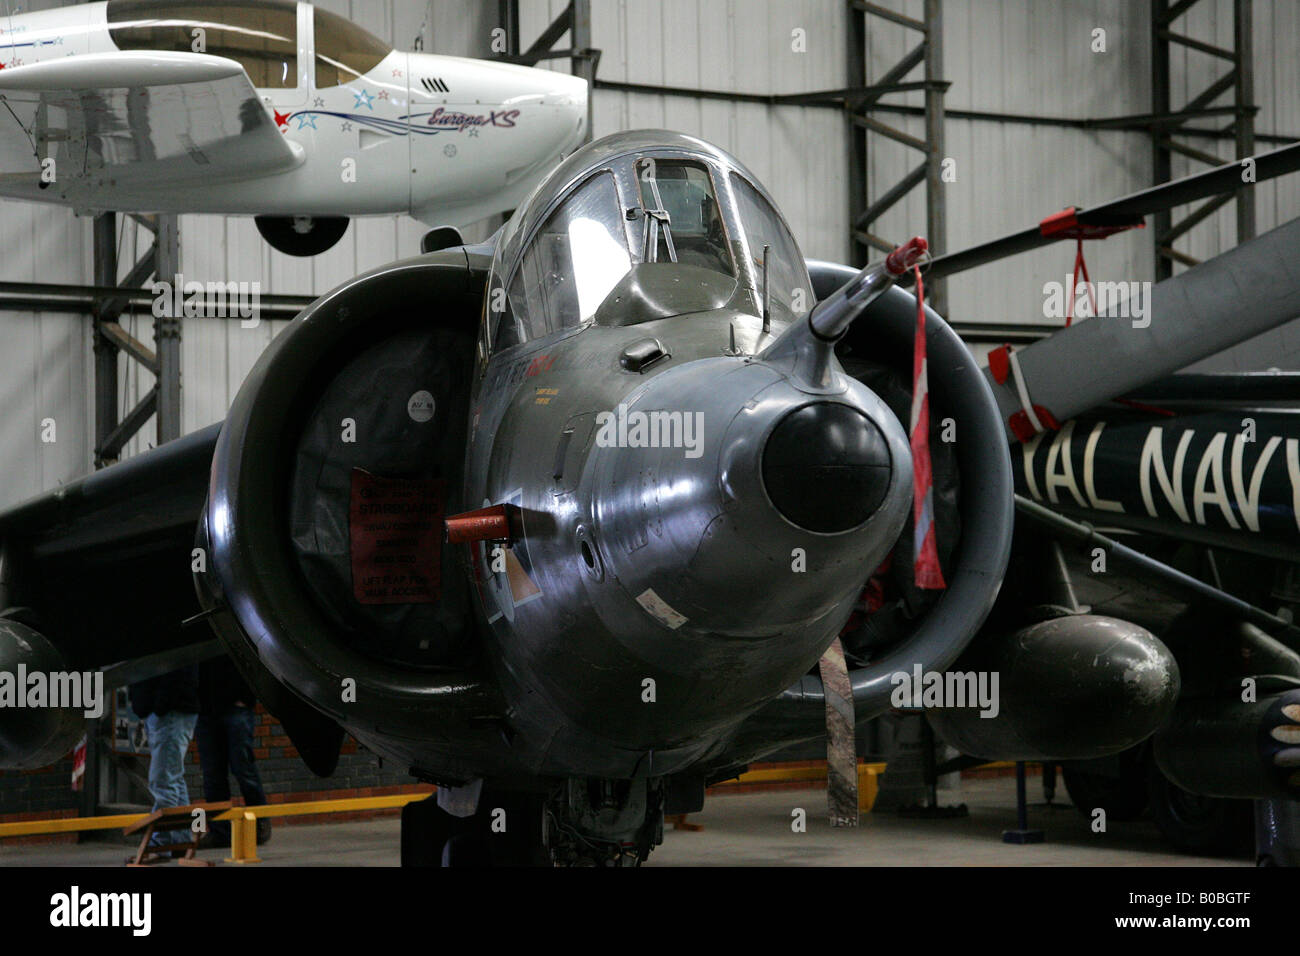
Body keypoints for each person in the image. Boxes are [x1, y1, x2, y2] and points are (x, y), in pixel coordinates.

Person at [196, 656, 271, 845]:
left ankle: (259, 823)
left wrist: (246, 697)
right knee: (212, 774)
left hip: (235, 707)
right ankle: (220, 832)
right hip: (206, 710)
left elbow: (253, 658)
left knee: (243, 768)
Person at [128, 666, 200, 846]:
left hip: (168, 712)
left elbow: (176, 672)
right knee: (173, 779)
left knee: (164, 781)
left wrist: (159, 706)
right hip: (168, 711)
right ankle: (180, 840)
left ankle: (162, 843)